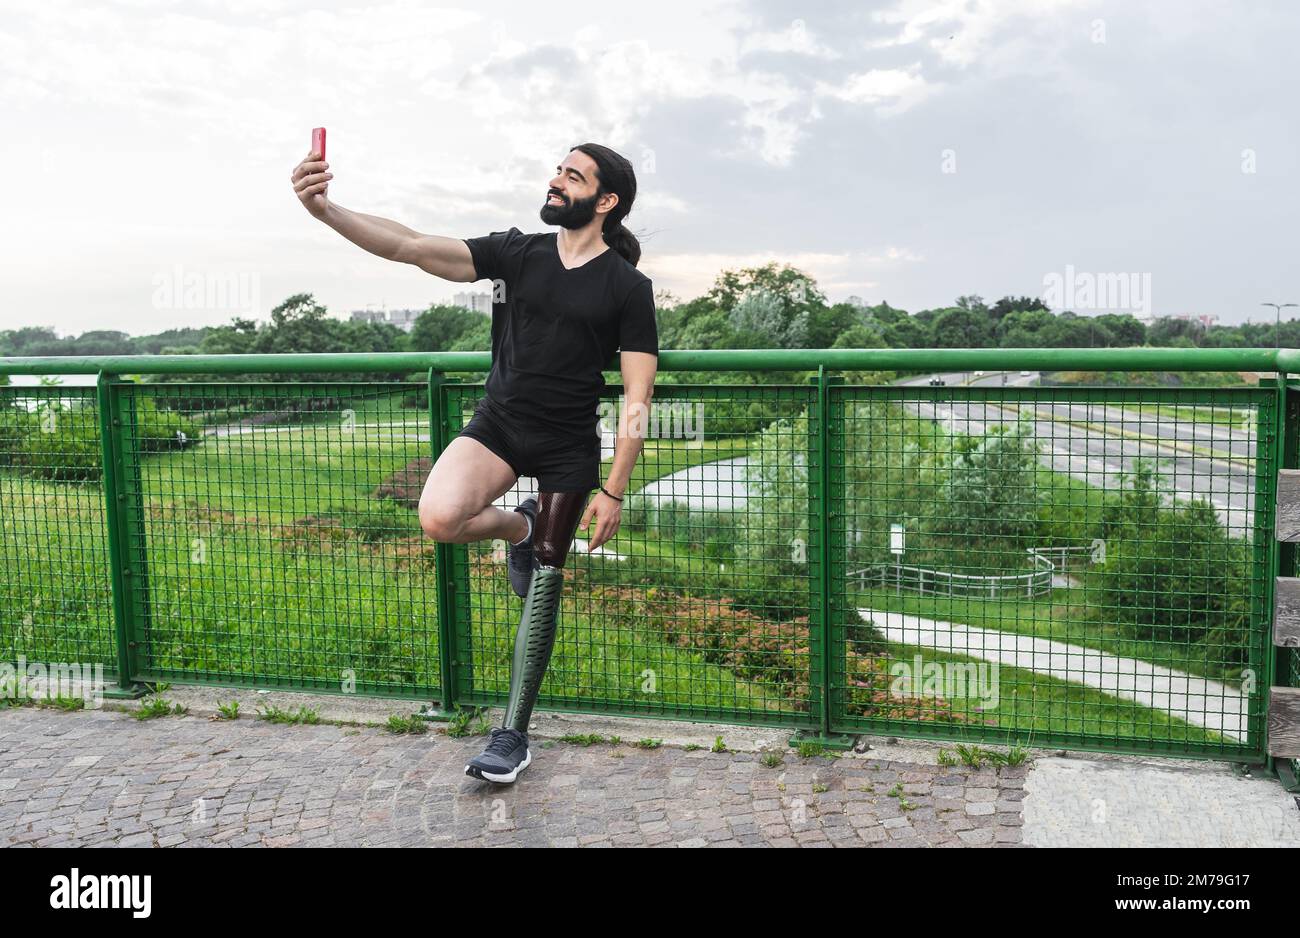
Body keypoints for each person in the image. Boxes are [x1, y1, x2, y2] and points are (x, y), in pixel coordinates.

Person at [290, 141, 658, 784]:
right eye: (556, 170)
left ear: (604, 202)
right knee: (439, 516)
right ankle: (521, 527)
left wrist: (615, 489)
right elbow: (408, 244)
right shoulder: (519, 252)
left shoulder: (629, 288)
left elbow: (636, 398)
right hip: (500, 424)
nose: (554, 181)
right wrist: (326, 211)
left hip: (568, 447)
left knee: (545, 585)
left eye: (571, 176)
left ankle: (512, 735)